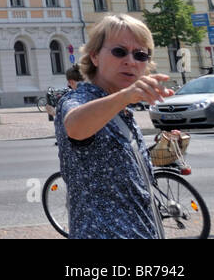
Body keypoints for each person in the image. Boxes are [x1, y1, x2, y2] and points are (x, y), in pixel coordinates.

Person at [56, 14, 182, 239]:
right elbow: (75, 126)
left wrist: (164, 149)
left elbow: (125, 171)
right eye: (119, 51)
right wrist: (126, 96)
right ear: (95, 56)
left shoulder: (123, 110)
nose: (131, 61)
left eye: (140, 55)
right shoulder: (80, 99)